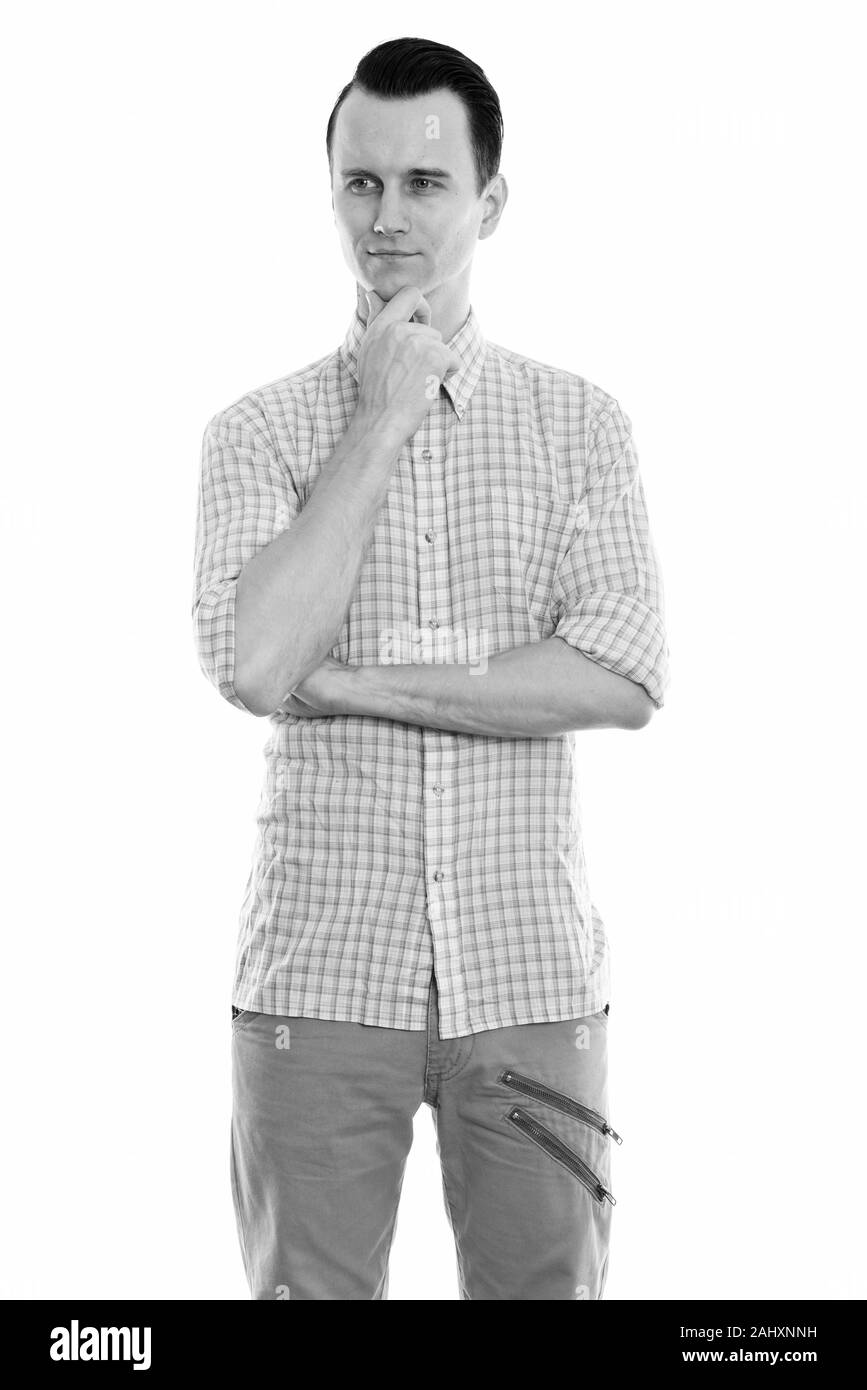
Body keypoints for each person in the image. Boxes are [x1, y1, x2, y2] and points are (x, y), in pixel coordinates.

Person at [193, 35, 670, 1301]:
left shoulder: (581, 425)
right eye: (361, 183)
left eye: (424, 183)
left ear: (490, 202)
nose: (387, 217)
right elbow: (253, 661)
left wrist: (345, 682)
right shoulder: (256, 432)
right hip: (314, 978)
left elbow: (621, 675)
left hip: (532, 977)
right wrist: (385, 412)